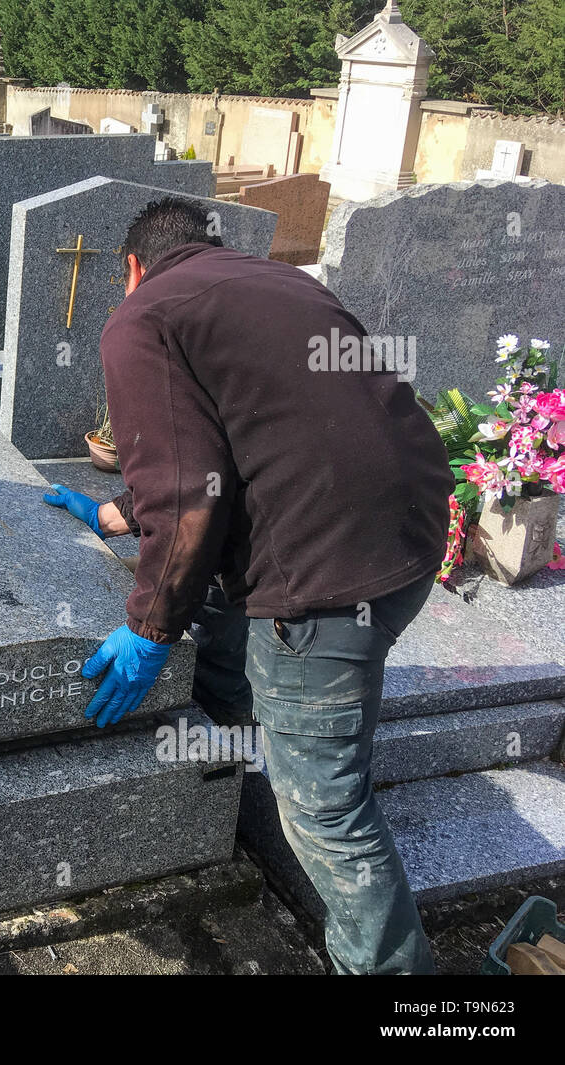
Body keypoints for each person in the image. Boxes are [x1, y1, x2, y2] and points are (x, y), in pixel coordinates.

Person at [44, 197, 452, 975]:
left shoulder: (141, 318)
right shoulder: (277, 282)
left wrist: (150, 625)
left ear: (131, 268)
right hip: (411, 531)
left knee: (327, 808)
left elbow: (192, 494)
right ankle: (238, 717)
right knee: (231, 613)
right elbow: (233, 443)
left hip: (323, 572)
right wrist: (115, 512)